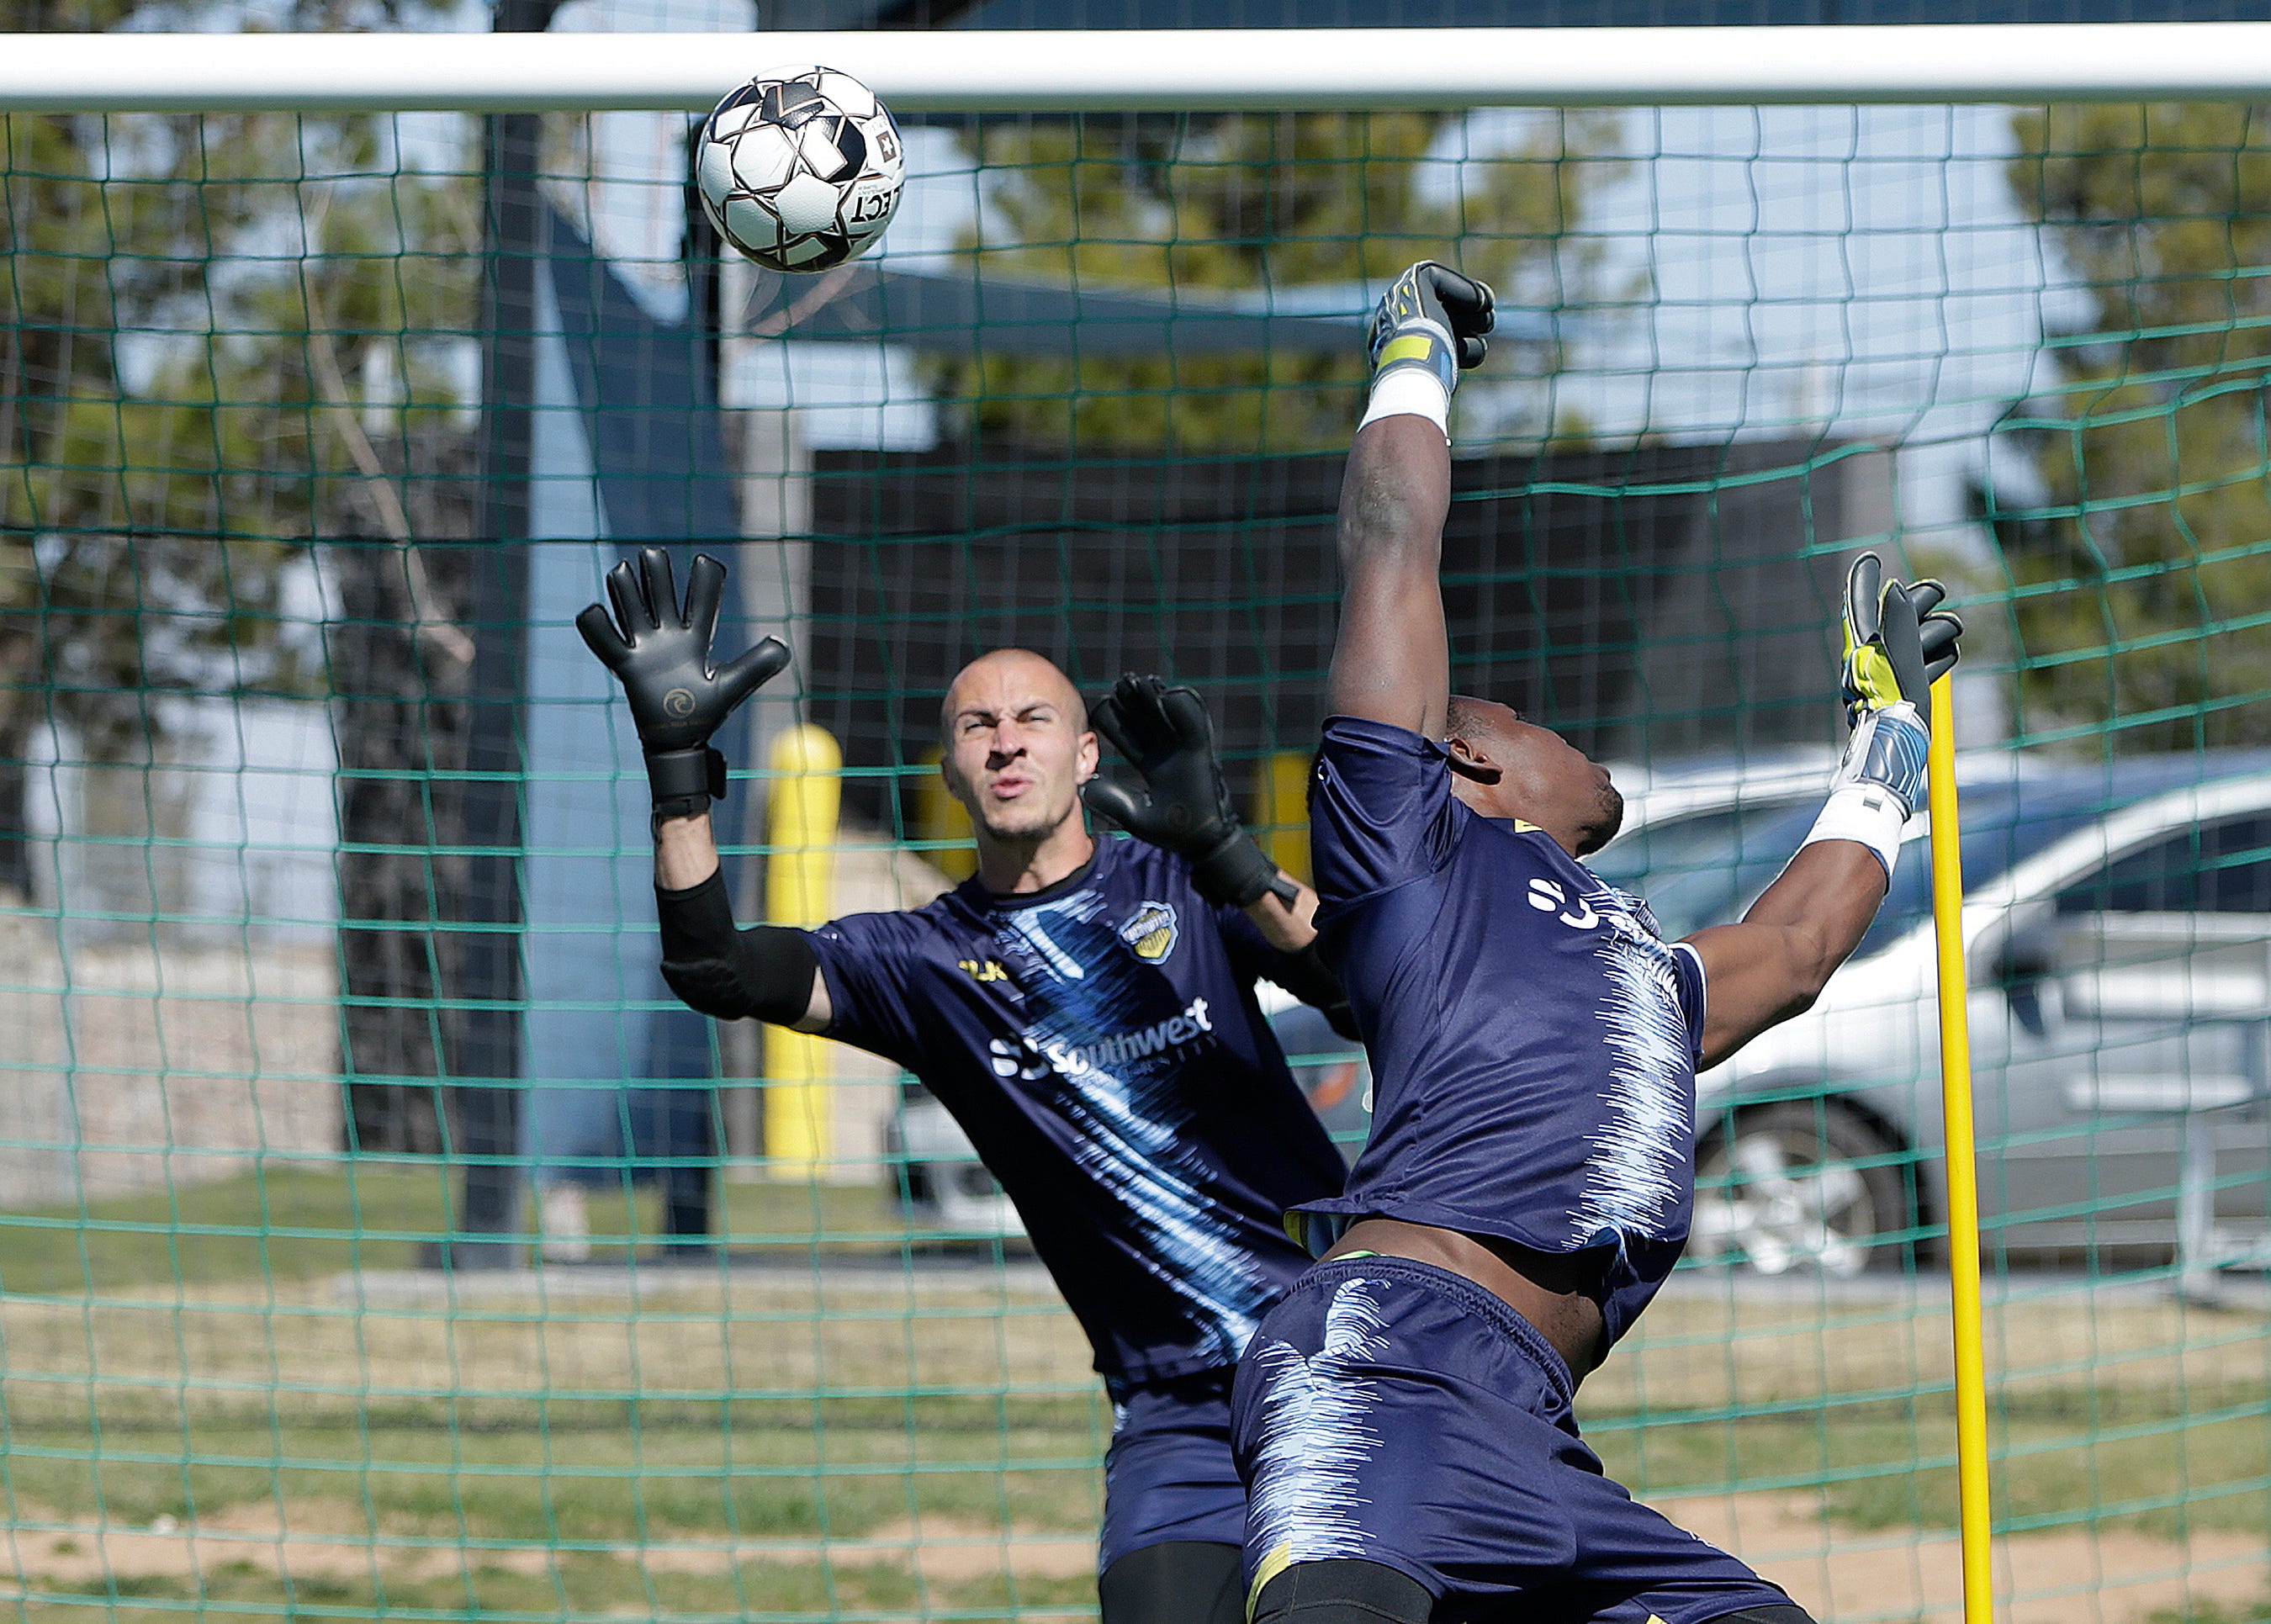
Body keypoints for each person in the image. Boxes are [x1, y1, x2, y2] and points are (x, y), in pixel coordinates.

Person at [1229, 262, 1964, 1624]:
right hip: (1389, 1368)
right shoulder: (1411, 855)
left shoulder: (1641, 967)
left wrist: (1890, 739)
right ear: (1469, 755)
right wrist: (1414, 352)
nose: (1570, 734)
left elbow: (1799, 946)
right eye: (1532, 719)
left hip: (1533, 1426)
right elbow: (1392, 540)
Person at [575, 548, 1354, 1624]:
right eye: (977, 725)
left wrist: (1229, 849)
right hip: (1178, 1417)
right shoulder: (924, 962)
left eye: (1033, 718)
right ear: (948, 770)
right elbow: (716, 967)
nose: (1006, 740)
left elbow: (1354, 983)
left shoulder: (1182, 879)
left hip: (1343, 1354)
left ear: (1085, 752)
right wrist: (677, 771)